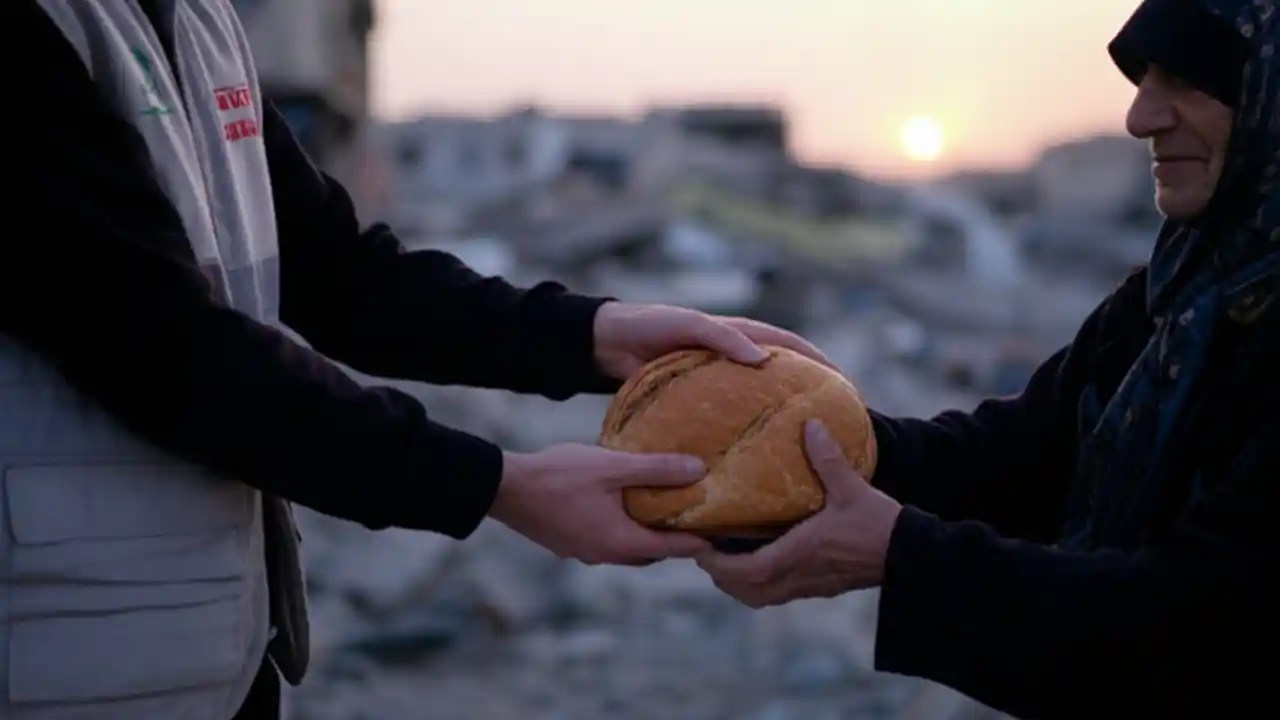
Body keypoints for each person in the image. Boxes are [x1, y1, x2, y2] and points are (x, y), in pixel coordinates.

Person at [1, 2, 832, 719]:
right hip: (50, 658)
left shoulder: (199, 21)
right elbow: (172, 352)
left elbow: (344, 277)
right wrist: (495, 484)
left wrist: (596, 333)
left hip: (196, 654)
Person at [696, 0, 1277, 717]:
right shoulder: (1183, 292)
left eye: (1187, 80)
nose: (1141, 117)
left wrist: (901, 555)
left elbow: (1199, 626)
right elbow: (1023, 456)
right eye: (1143, 78)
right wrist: (799, 445)